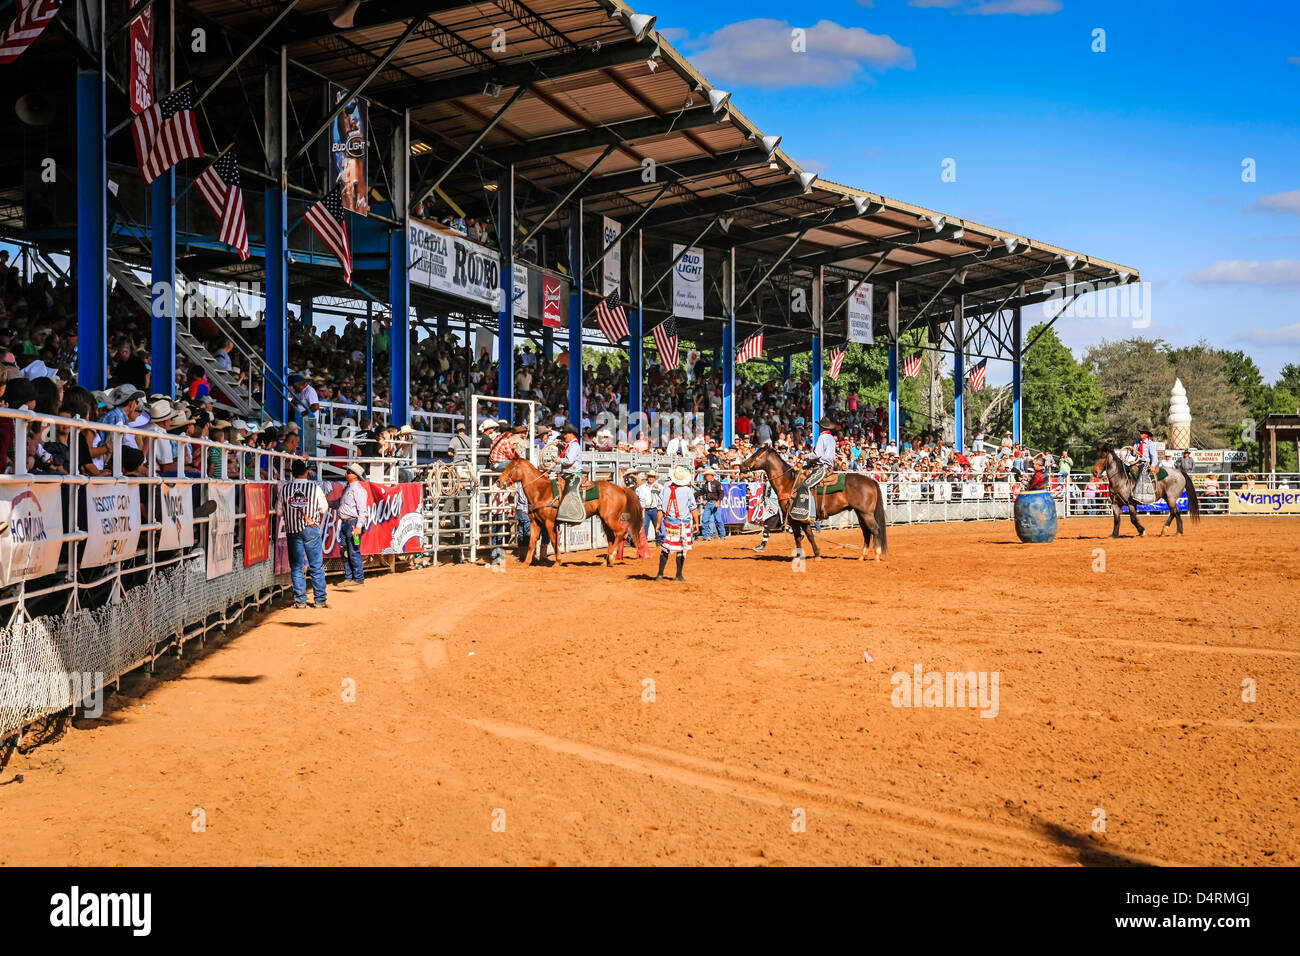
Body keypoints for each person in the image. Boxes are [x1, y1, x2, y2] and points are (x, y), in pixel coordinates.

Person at [278, 459, 330, 608]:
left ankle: (300, 601)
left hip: (293, 531)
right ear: (306, 472)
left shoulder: (285, 489)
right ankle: (320, 600)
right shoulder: (315, 488)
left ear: (292, 473)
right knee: (316, 565)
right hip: (311, 528)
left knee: (296, 566)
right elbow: (323, 508)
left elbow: (279, 512)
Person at [656, 464, 699, 582]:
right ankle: (678, 575)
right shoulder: (687, 491)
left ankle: (660, 574)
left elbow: (660, 509)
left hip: (668, 522)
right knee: (681, 549)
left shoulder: (665, 489)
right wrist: (696, 523)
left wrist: (658, 523)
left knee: (665, 548)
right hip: (682, 524)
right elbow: (693, 508)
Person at [337, 462, 369, 586]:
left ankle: (357, 578)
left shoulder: (358, 490)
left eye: (349, 472)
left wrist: (359, 526)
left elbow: (362, 511)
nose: (346, 473)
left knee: (353, 551)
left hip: (352, 523)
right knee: (345, 550)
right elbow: (342, 504)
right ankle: (350, 577)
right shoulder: (348, 488)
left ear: (355, 475)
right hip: (347, 523)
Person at [552, 422, 584, 522]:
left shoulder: (573, 445)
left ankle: (571, 512)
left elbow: (569, 460)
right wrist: (561, 447)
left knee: (569, 490)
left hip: (573, 474)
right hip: (568, 473)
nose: (564, 436)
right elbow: (568, 454)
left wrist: (558, 460)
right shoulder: (572, 445)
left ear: (571, 434)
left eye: (566, 434)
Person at [698, 468, 726, 540]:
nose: (705, 477)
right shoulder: (705, 485)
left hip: (715, 502)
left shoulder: (717, 483)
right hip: (708, 503)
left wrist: (718, 501)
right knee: (705, 520)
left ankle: (723, 535)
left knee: (718, 519)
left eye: (706, 475)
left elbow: (721, 493)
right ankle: (706, 536)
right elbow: (701, 492)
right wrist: (695, 495)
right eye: (705, 476)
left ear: (711, 476)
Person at [637, 472, 659, 547]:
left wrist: (658, 488)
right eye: (649, 476)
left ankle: (659, 541)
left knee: (657, 525)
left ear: (654, 478)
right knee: (645, 525)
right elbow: (637, 494)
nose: (650, 478)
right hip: (645, 509)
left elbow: (664, 493)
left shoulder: (659, 487)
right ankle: (644, 542)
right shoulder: (641, 488)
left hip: (655, 509)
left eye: (652, 477)